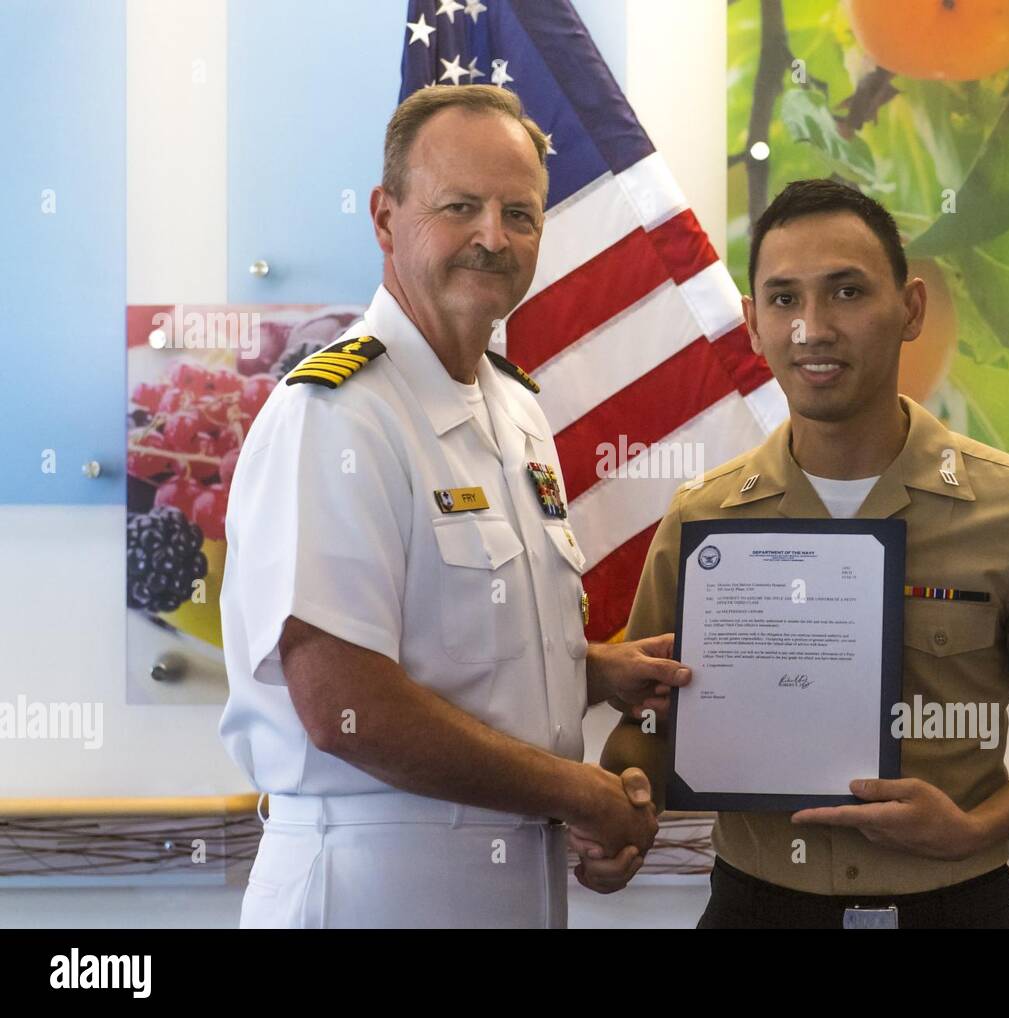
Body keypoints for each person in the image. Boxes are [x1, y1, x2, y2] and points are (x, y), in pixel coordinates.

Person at [600, 178, 1009, 929]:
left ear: (911, 309)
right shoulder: (704, 519)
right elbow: (650, 720)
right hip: (757, 907)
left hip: (954, 907)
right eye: (785, 300)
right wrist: (621, 797)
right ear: (753, 324)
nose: (813, 328)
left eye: (848, 292)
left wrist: (977, 828)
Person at [218, 84, 688, 929]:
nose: (492, 237)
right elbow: (345, 708)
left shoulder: (516, 411)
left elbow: (460, 643)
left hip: (511, 878)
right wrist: (578, 791)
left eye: (520, 214)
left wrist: (590, 670)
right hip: (372, 885)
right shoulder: (334, 413)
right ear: (384, 216)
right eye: (460, 206)